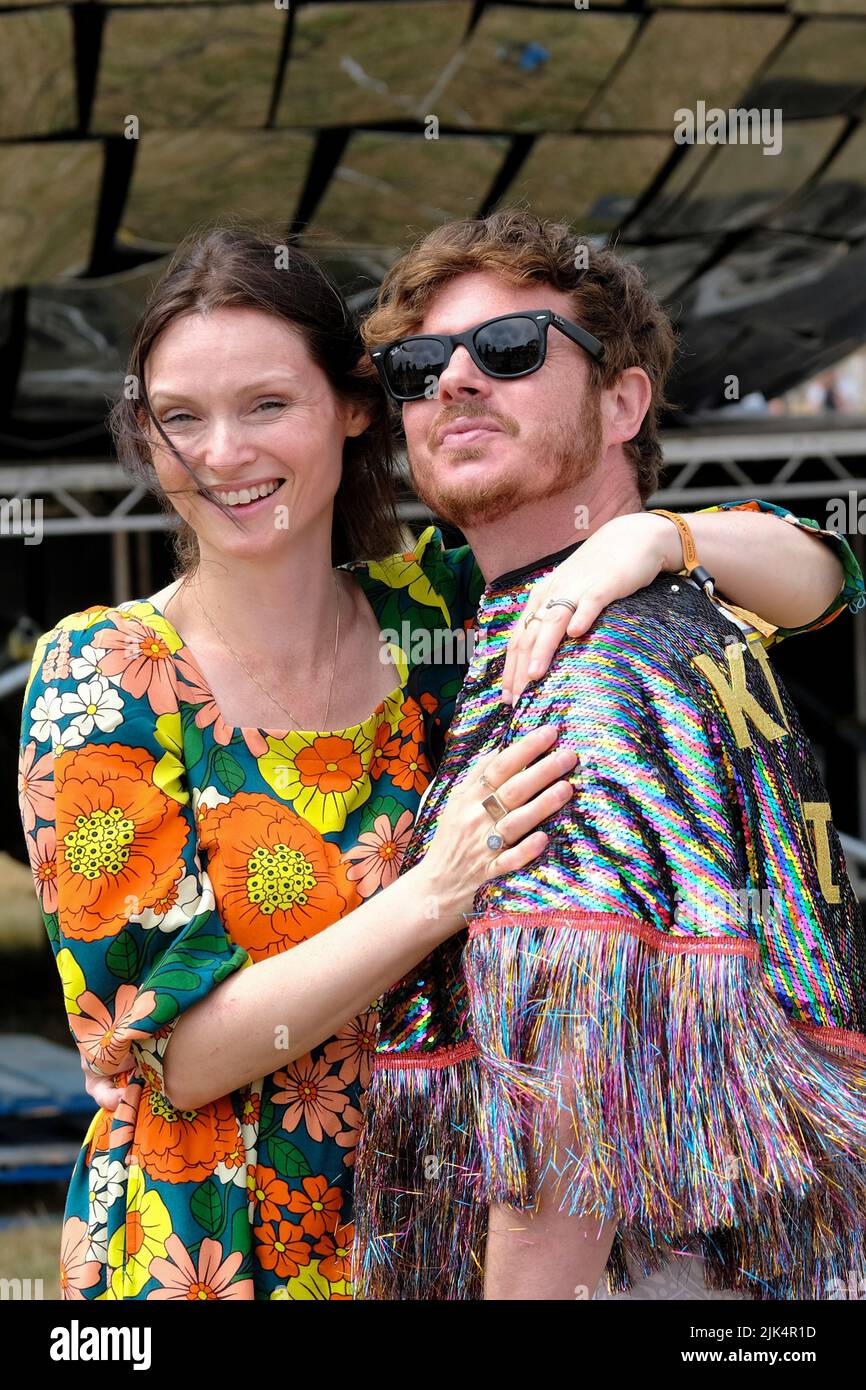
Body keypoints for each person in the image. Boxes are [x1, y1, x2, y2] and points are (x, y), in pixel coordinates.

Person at [18, 221, 860, 1302]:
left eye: (267, 405)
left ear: (354, 409)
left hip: (426, 1251)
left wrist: (659, 538)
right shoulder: (104, 674)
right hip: (210, 1257)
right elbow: (171, 1054)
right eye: (180, 419)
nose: (223, 454)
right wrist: (434, 891)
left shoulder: (445, 613)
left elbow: (823, 582)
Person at [352, 207, 866, 1302]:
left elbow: (565, 1097)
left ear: (622, 399)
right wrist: (658, 536)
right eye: (417, 365)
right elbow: (827, 577)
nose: (451, 383)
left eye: (507, 350)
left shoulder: (582, 655)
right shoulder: (648, 610)